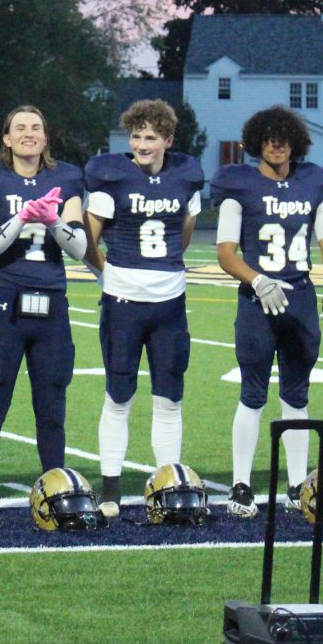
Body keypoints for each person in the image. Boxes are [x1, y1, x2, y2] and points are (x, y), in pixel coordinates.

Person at [209, 106, 323, 517]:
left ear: (294, 142)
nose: (276, 145)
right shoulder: (239, 185)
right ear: (256, 143)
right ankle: (241, 485)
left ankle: (297, 484)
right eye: (268, 139)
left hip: (299, 299)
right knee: (252, 394)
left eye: (282, 138)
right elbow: (225, 252)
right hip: (258, 301)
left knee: (297, 395)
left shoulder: (314, 182)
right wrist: (257, 280)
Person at [0, 105, 87, 521]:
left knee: (52, 407)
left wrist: (52, 220)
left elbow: (79, 248)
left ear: (46, 137)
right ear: (7, 138)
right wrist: (21, 216)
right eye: (20, 128)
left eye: (36, 127)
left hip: (52, 306)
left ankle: (54, 489)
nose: (29, 133)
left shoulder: (65, 179)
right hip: (5, 306)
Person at [82, 99, 203, 518]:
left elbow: (184, 232)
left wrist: (165, 267)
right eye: (136, 136)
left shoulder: (185, 175)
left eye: (150, 136)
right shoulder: (111, 175)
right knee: (119, 395)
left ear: (168, 139)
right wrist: (108, 274)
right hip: (124, 301)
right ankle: (111, 488)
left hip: (170, 300)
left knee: (169, 397)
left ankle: (167, 483)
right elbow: (88, 239)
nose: (141, 144)